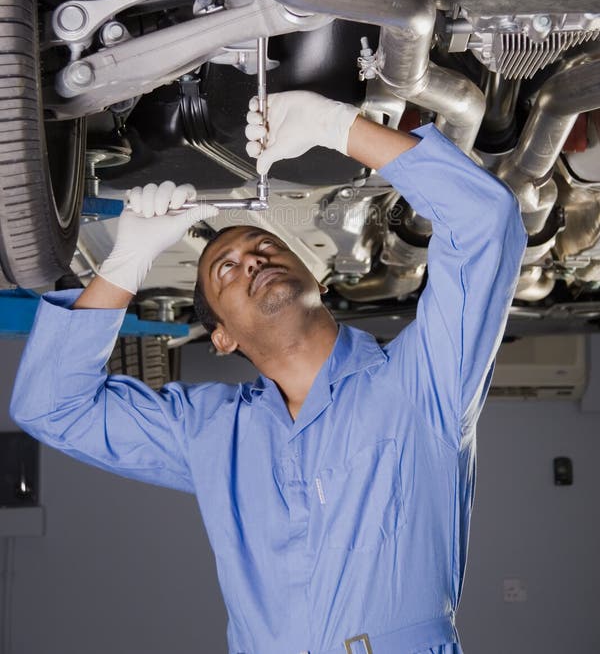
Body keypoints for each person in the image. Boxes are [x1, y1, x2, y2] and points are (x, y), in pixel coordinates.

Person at [10, 90, 527, 654]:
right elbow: (52, 407)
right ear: (222, 337)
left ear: (318, 282)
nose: (254, 258)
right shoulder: (209, 433)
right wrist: (124, 264)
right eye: (226, 269)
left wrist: (336, 125)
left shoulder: (424, 382)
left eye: (266, 246)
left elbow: (484, 221)